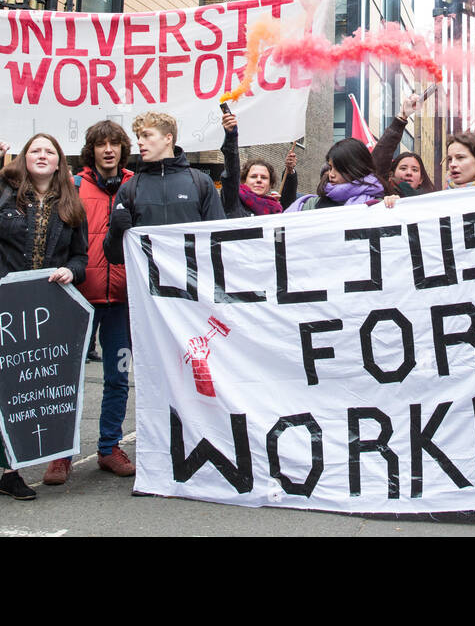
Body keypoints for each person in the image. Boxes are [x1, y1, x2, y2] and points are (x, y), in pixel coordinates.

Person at [0, 134, 88, 504]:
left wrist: (71, 271)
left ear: (59, 162)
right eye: (35, 150)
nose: (42, 156)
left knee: (25, 391)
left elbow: (80, 257)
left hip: (43, 311)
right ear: (24, 158)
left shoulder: (71, 205)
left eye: (49, 152)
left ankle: (12, 472)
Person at [43, 121, 136, 486]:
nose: (108, 149)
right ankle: (60, 454)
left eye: (115, 143)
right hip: (77, 298)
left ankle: (109, 447)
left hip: (123, 301)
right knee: (67, 378)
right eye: (102, 144)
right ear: (92, 150)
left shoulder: (135, 185)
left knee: (117, 377)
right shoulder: (75, 187)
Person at [103, 111, 226, 265]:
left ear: (168, 138)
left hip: (193, 286)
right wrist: (116, 231)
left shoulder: (201, 183)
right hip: (147, 287)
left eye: (147, 135)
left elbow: (220, 241)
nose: (140, 142)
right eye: (138, 137)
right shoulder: (129, 189)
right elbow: (114, 258)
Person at [218, 110, 299, 217]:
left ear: (270, 184)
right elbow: (231, 172)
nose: (259, 180)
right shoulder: (233, 201)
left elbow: (288, 200)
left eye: (264, 177)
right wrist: (231, 136)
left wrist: (290, 171)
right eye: (253, 176)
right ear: (243, 181)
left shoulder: (274, 208)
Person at [286, 139, 391, 211]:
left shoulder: (379, 206)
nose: (331, 175)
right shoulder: (310, 205)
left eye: (339, 169)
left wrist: (396, 206)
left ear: (357, 168)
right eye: (331, 167)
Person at [373, 93, 437, 195]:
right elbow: (380, 158)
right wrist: (402, 117)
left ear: (421, 179)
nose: (408, 173)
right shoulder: (384, 195)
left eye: (415, 170)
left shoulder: (432, 202)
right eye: (403, 168)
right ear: (391, 174)